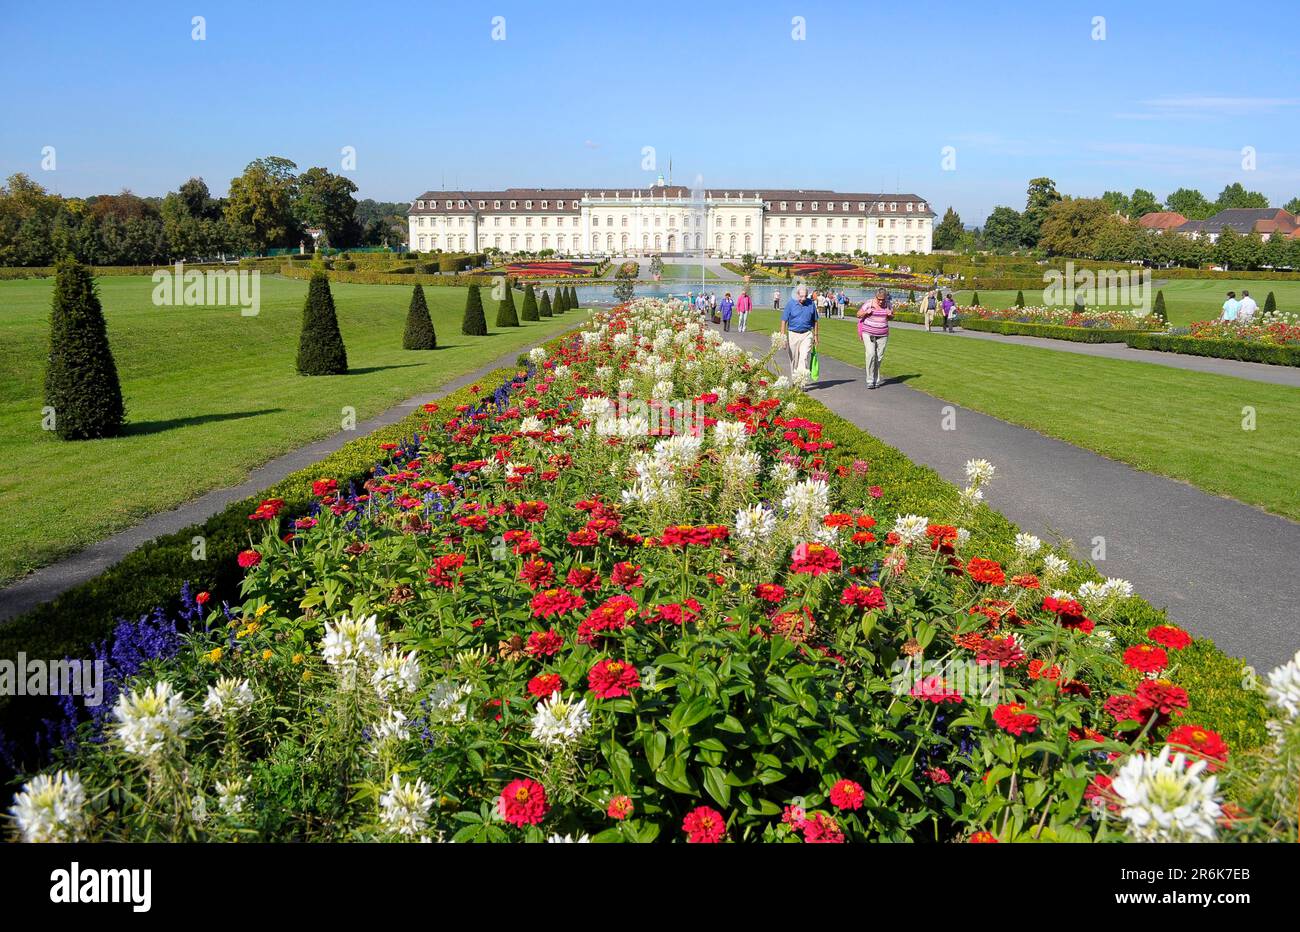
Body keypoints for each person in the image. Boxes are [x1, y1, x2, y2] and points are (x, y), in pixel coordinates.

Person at [781, 284, 819, 383]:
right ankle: (795, 380)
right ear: (797, 294)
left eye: (805, 296)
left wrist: (815, 336)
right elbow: (784, 320)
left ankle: (802, 382)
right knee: (794, 359)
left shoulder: (811, 304)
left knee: (804, 357)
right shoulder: (791, 304)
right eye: (801, 296)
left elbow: (815, 321)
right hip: (793, 334)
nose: (803, 298)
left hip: (806, 334)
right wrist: (782, 337)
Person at [857, 287, 893, 389]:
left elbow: (891, 317)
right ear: (875, 297)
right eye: (879, 299)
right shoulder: (869, 303)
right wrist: (866, 312)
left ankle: (876, 378)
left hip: (883, 334)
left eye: (883, 299)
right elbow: (858, 314)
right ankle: (869, 379)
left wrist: (890, 315)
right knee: (871, 354)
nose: (881, 301)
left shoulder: (888, 305)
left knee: (879, 356)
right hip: (868, 332)